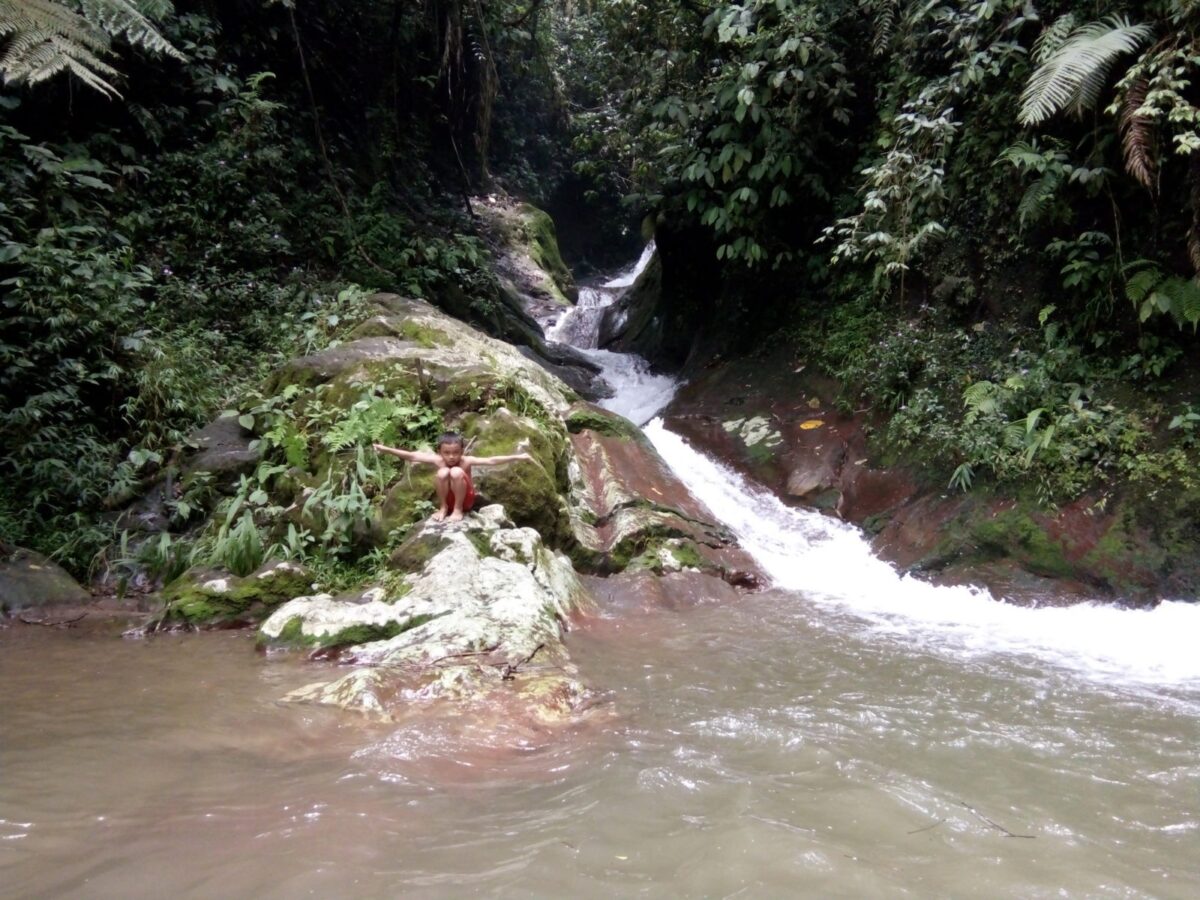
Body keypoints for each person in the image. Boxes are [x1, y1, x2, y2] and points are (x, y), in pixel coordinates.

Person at [372, 432, 533, 522]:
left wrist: (519, 457)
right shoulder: (437, 460)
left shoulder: (467, 461)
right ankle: (443, 508)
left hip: (466, 501)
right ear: (439, 451)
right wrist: (384, 449)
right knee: (443, 473)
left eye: (455, 453)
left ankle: (457, 510)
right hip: (447, 498)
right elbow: (411, 456)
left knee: (455, 472)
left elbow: (492, 460)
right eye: (447, 453)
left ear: (462, 451)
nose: (451, 457)